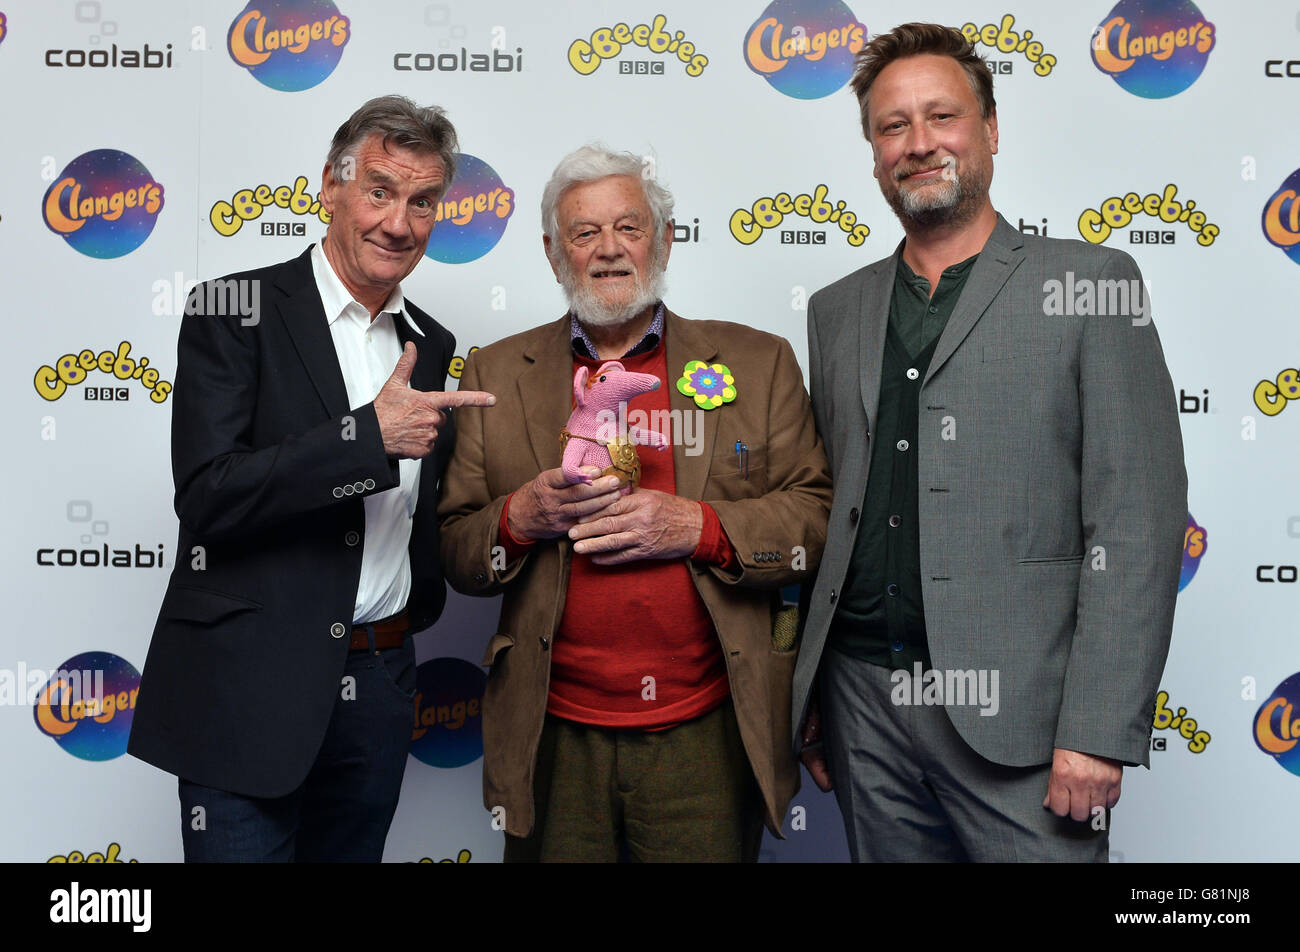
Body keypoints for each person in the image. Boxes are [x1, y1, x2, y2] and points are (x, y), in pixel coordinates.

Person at [791, 23, 1187, 862]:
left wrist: (1098, 727)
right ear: (872, 152)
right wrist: (812, 693)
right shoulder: (836, 310)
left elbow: (1139, 521)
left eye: (942, 116)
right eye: (893, 126)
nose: (919, 143)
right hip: (863, 701)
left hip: (1026, 717)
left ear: (992, 131)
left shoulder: (1091, 284)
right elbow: (835, 507)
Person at [438, 145, 832, 862]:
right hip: (551, 729)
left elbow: (815, 517)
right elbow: (460, 553)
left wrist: (700, 526)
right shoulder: (495, 371)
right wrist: (517, 519)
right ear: (555, 255)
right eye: (584, 233)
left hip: (707, 729)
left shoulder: (759, 361)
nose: (610, 250)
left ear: (667, 238)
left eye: (630, 226)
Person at [129, 95, 494, 862]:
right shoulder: (234, 310)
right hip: (248, 687)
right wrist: (369, 437)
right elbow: (208, 493)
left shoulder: (433, 344)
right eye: (379, 191)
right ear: (330, 186)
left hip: (382, 682)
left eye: (422, 202)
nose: (399, 222)